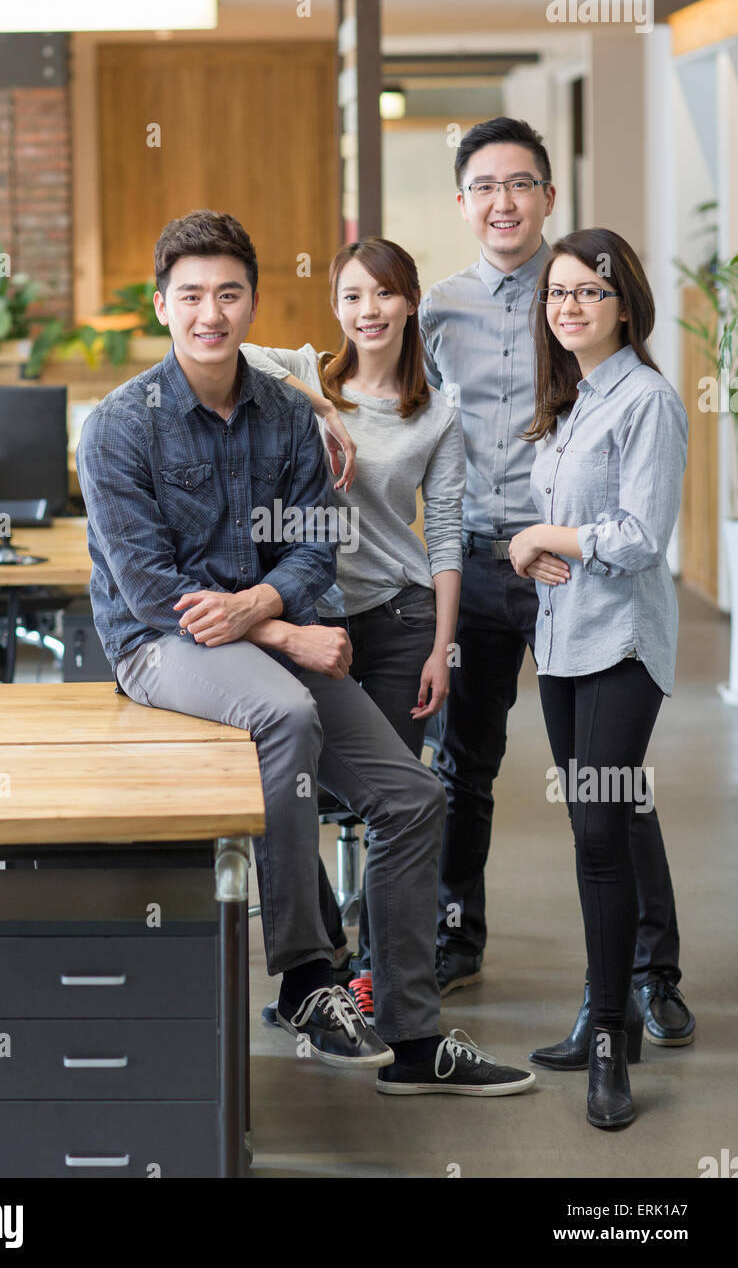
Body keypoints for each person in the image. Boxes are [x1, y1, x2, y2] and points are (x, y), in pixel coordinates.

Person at [76, 207, 535, 1096]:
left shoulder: (288, 414)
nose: (212, 313)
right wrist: (282, 626)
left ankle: (411, 1037)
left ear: (252, 302)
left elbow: (315, 547)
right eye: (192, 296)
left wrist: (261, 604)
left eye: (230, 294)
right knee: (285, 711)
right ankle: (306, 978)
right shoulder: (120, 424)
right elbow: (146, 588)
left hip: (251, 632)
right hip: (158, 644)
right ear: (162, 306)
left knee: (411, 796)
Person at [421, 116, 695, 1052]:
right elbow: (413, 417)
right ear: (464, 203)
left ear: (546, 196)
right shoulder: (438, 308)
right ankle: (457, 938)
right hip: (489, 558)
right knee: (468, 763)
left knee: (611, 780)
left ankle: (652, 973)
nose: (503, 201)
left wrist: (559, 538)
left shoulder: (580, 289)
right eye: (484, 186)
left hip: (580, 565)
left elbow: (635, 500)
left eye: (521, 183)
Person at [241, 236, 465, 1024]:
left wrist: (442, 645)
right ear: (336, 307)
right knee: (292, 786)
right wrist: (322, 406)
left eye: (383, 295)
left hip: (401, 617)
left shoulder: (438, 413)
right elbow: (228, 345)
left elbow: (442, 535)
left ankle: (378, 975)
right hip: (311, 617)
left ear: (410, 302)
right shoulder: (305, 372)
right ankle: (320, 969)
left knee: (393, 805)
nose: (368, 311)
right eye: (352, 297)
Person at [508, 228, 688, 1127]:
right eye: (556, 294)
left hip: (621, 647)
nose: (568, 306)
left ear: (625, 304)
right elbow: (554, 522)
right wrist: (525, 541)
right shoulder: (571, 402)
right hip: (562, 645)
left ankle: (611, 1046)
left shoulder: (647, 401)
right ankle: (600, 1012)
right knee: (591, 834)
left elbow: (638, 537)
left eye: (587, 291)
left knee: (599, 837)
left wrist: (546, 540)